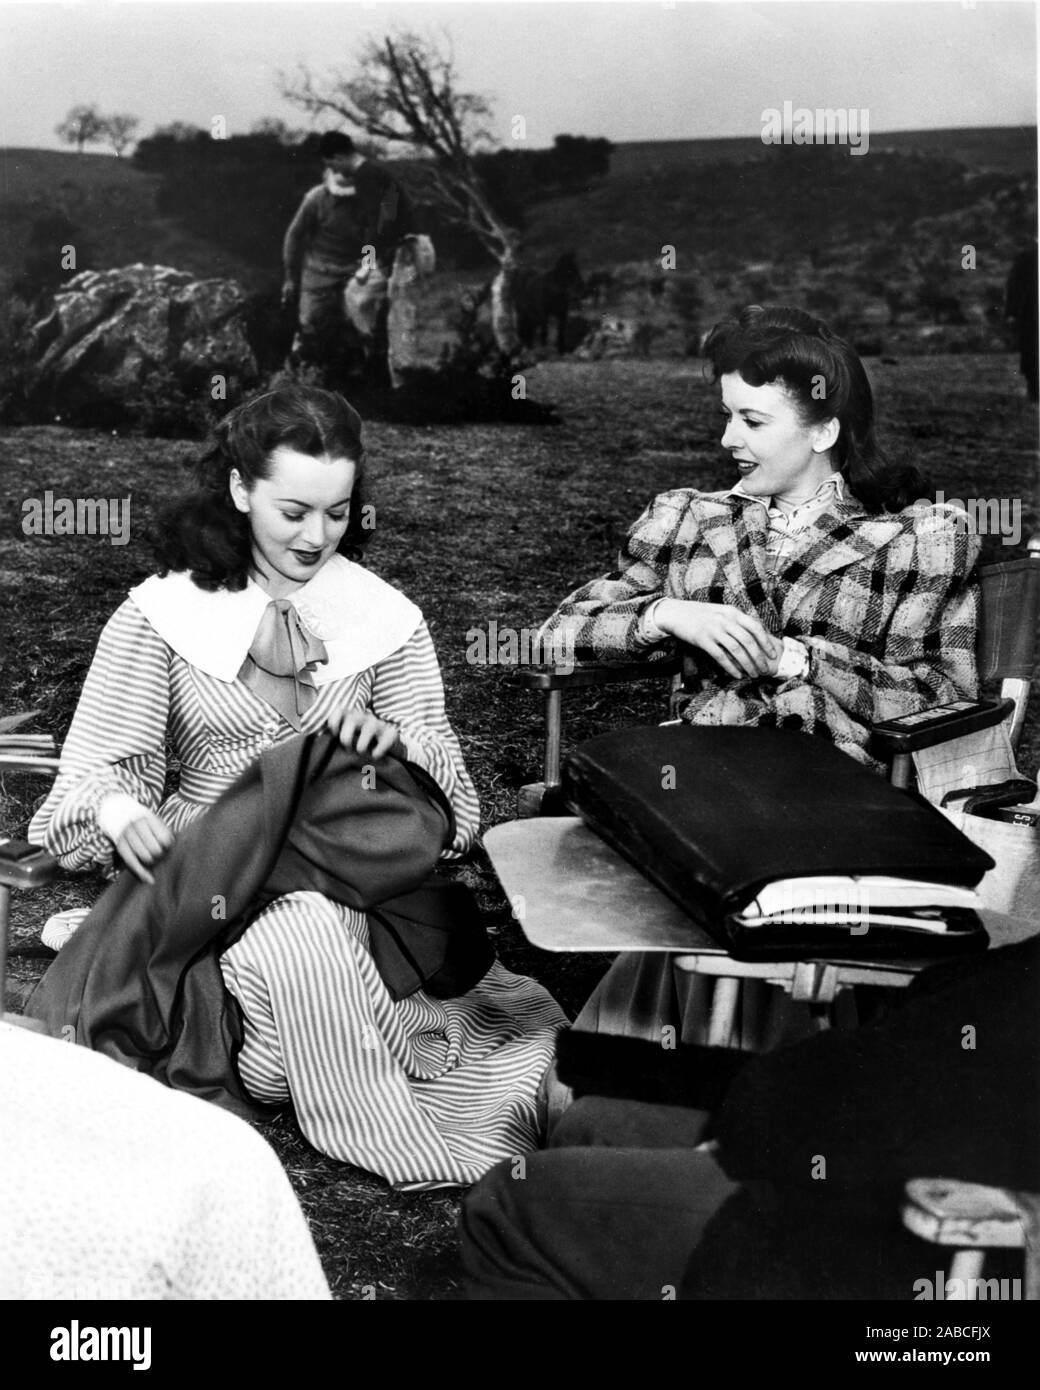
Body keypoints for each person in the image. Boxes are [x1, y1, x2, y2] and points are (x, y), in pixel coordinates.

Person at [28, 384, 567, 1190]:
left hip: (352, 876)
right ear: (242, 491)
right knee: (296, 935)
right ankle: (335, 1079)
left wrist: (402, 752)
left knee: (311, 925)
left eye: (339, 512)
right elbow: (89, 780)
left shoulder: (386, 619)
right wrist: (118, 808)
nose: (317, 537)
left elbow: (454, 812)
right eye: (293, 512)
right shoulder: (160, 616)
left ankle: (302, 1058)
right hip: (212, 876)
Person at [537, 304, 982, 1042]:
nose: (726, 440)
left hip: (838, 805)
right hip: (703, 789)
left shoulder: (918, 537)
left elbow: (938, 694)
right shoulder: (689, 518)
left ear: (824, 429)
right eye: (725, 416)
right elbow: (555, 640)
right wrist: (665, 615)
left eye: (751, 421)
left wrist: (793, 659)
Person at [459, 933, 1039, 1300]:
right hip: (880, 1141)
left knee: (509, 1203)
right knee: (589, 1122)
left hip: (929, 1242)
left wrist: (764, 1124)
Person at [282, 131, 414, 375]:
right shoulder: (315, 199)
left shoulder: (368, 193)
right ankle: (300, 380)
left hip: (355, 271)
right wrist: (291, 278)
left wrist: (369, 267)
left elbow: (377, 232)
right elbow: (294, 236)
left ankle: (364, 381)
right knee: (309, 329)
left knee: (360, 329)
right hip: (318, 274)